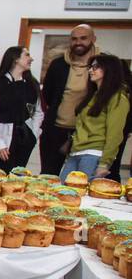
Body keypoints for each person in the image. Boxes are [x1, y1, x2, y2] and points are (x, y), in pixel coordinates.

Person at [39, 24, 99, 176]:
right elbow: (47, 94)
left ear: (93, 39)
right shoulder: (58, 65)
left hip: (86, 133)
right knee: (48, 175)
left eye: (83, 38)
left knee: (80, 180)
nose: (78, 42)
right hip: (56, 130)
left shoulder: (101, 66)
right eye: (74, 39)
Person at [59, 54, 129, 183]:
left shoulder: (118, 98)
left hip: (94, 154)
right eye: (90, 67)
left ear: (109, 70)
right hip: (76, 152)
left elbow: (115, 134)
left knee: (83, 197)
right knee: (62, 190)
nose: (90, 70)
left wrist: (105, 163)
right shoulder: (93, 95)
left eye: (96, 67)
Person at [0, 46, 40, 173]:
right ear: (15, 59)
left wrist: (33, 133)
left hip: (24, 136)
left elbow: (38, 111)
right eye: (27, 55)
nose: (31, 58)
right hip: (3, 137)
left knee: (18, 176)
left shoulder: (32, 84)